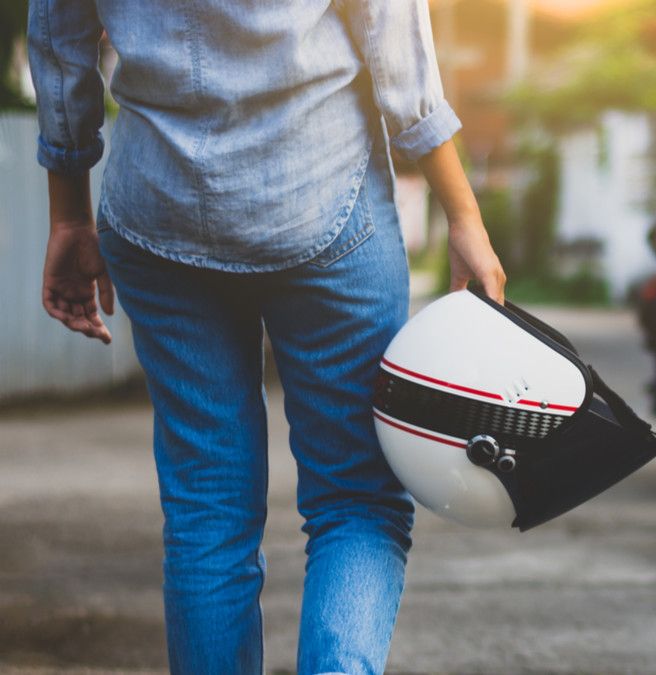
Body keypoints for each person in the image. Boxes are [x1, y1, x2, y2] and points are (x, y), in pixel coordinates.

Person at [28, 1, 505, 672]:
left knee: (207, 512)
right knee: (357, 499)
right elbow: (393, 35)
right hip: (322, 195)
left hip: (158, 206)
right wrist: (463, 213)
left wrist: (69, 214)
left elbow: (59, 37)